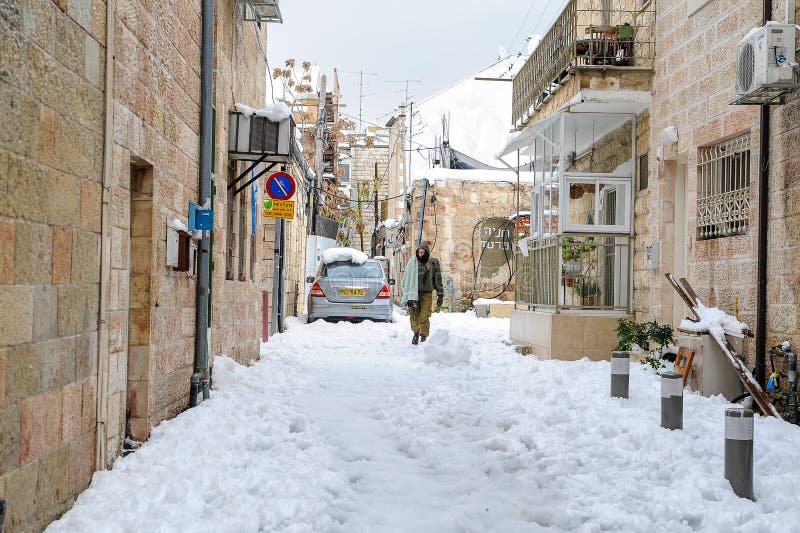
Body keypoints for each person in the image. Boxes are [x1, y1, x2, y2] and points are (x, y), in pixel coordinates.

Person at [400, 242, 444, 345]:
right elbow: (407, 278)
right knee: (414, 315)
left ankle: (424, 336)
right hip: (413, 294)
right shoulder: (412, 262)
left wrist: (440, 295)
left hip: (427, 294)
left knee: (424, 315)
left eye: (422, 252)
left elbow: (438, 280)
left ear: (427, 253)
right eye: (419, 252)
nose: (420, 254)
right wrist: (408, 295)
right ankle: (416, 332)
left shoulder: (433, 263)